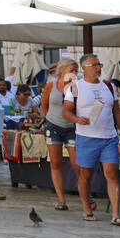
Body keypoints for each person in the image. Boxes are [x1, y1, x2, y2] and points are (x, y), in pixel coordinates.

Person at [63, 53, 120, 225]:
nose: (98, 68)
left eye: (99, 64)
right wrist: (77, 119)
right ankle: (87, 208)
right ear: (84, 68)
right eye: (94, 65)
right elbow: (66, 111)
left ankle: (116, 214)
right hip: (86, 138)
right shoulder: (75, 86)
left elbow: (117, 112)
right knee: (85, 176)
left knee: (112, 174)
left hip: (109, 137)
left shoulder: (109, 86)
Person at [40, 57, 80, 212]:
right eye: (72, 70)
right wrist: (45, 121)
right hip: (53, 126)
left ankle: (85, 194)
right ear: (62, 70)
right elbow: (44, 105)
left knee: (78, 164)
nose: (75, 73)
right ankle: (61, 199)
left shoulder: (77, 87)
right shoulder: (51, 86)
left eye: (76, 71)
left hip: (72, 127)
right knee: (55, 163)